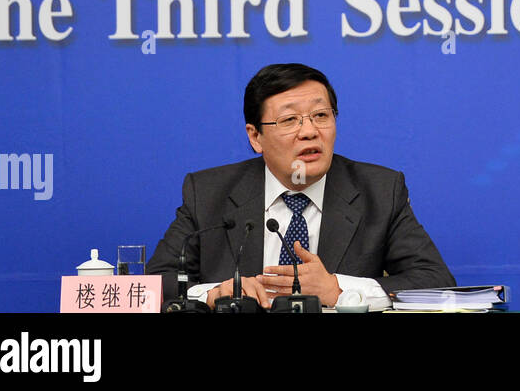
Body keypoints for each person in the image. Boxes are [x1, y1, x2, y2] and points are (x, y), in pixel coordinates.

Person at [147, 63, 454, 308]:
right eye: (289, 120)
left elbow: (436, 282)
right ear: (255, 137)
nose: (309, 131)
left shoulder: (380, 191)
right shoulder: (209, 192)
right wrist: (216, 293)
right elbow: (155, 285)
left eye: (321, 115)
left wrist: (339, 289)